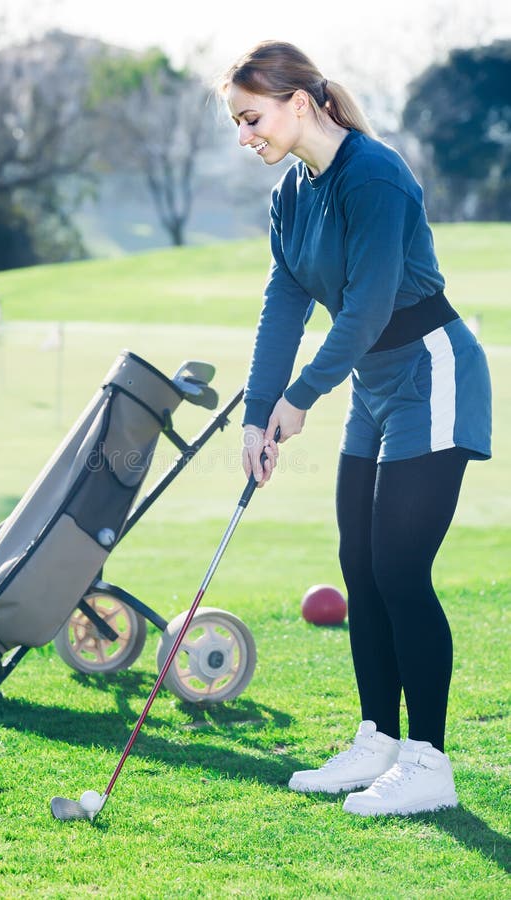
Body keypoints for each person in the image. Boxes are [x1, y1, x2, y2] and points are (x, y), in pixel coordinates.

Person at [220, 41, 492, 817]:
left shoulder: (372, 174)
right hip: (374, 384)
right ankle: (376, 739)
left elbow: (369, 306)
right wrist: (254, 415)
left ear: (297, 103)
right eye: (238, 122)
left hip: (431, 374)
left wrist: (300, 398)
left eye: (251, 117)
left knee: (401, 569)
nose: (245, 135)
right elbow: (283, 306)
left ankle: (428, 762)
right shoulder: (291, 194)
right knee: (361, 567)